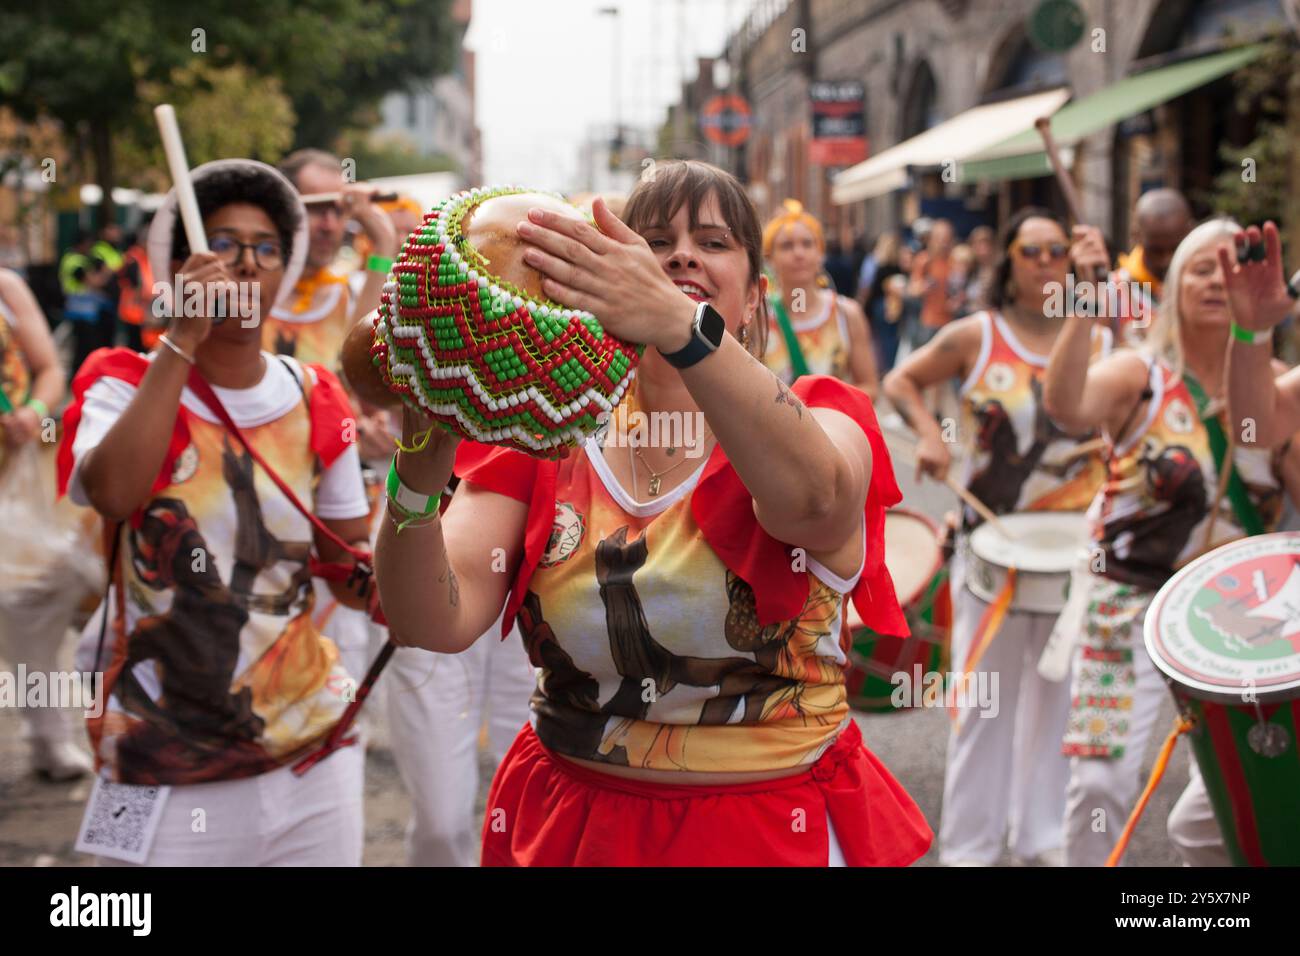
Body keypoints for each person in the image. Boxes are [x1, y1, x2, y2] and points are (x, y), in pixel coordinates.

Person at [373, 159, 932, 867]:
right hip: (575, 829)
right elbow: (430, 621)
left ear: (755, 298)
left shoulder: (823, 417)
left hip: (765, 830)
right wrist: (421, 458)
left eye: (713, 242)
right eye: (655, 241)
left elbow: (814, 502)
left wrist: (679, 323)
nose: (682, 256)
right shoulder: (547, 438)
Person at [57, 159, 374, 865]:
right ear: (179, 268)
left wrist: (397, 568)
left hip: (309, 756)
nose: (246, 263)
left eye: (267, 248)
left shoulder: (319, 397)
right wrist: (181, 339)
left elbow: (347, 567)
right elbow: (113, 493)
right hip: (156, 760)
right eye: (224, 244)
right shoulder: (119, 384)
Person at [1043, 217, 1300, 866]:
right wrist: (1084, 303)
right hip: (1128, 602)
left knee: (1226, 798)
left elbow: (1271, 457)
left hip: (1237, 626)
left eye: (1228, 267)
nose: (1216, 281)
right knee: (1099, 781)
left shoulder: (1272, 385)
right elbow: (1067, 407)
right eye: (1201, 268)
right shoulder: (1140, 375)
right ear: (1174, 284)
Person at [883, 207, 1114, 866]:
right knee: (984, 705)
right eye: (1030, 251)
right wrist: (931, 436)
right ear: (1007, 262)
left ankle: (1043, 840)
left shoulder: (1101, 340)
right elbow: (901, 380)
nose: (1045, 262)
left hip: (1075, 551)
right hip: (990, 546)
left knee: (1060, 702)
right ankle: (970, 850)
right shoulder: (977, 334)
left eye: (1056, 251)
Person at [0, 267, 85, 780]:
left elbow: (49, 368)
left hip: (15, 480)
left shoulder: (6, 288)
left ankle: (47, 736)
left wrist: (33, 412)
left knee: (29, 604)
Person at [761, 200, 879, 399]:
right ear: (770, 258)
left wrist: (828, 404)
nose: (798, 253)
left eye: (807, 244)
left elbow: (870, 388)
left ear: (820, 253)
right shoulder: (759, 318)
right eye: (786, 246)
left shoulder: (847, 313)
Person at [1113, 189, 1194, 344]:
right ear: (1136, 236)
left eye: (1175, 248)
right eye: (1156, 251)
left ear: (1189, 232)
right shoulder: (1113, 293)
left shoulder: (1208, 287)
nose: (1166, 261)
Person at [58, 229, 114, 377]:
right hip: (80, 312)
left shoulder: (72, 259)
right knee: (83, 348)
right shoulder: (76, 262)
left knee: (81, 347)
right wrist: (106, 272)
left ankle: (80, 375)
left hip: (81, 311)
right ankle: (81, 376)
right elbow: (94, 282)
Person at [861, 233, 909, 373]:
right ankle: (892, 365)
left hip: (882, 306)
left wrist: (867, 309)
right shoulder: (901, 269)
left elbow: (874, 291)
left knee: (883, 339)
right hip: (897, 307)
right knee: (893, 338)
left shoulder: (881, 268)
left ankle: (887, 367)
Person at [115, 222, 162, 353]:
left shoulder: (147, 258)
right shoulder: (134, 258)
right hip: (134, 314)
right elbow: (137, 286)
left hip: (144, 314)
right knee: (135, 350)